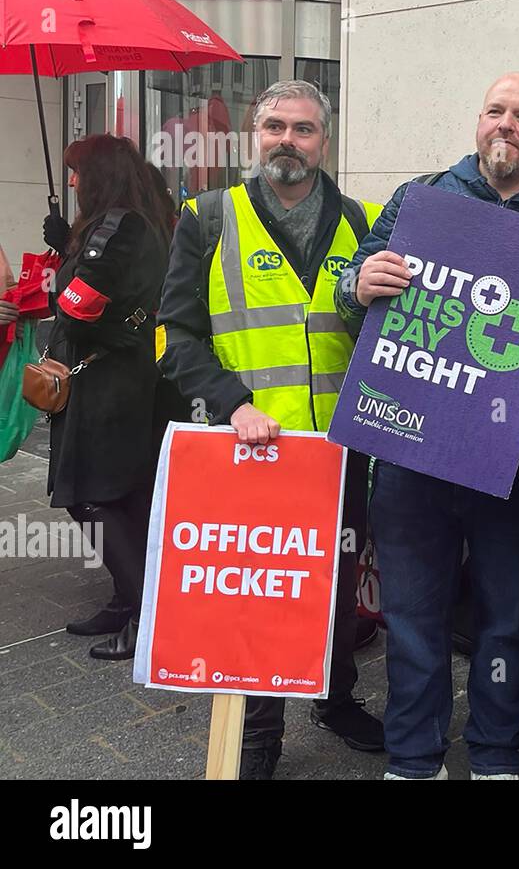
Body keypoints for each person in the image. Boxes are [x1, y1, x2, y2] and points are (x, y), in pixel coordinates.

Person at [336, 72, 519, 780]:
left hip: (514, 462)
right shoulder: (420, 198)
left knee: (508, 618)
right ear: (477, 122)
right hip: (409, 454)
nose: (506, 126)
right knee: (412, 615)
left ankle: (494, 755)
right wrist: (358, 285)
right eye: (495, 111)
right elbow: (352, 285)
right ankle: (413, 757)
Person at [159, 80, 385, 779]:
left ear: (325, 140)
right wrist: (233, 405)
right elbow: (173, 335)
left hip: (341, 452)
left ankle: (335, 696)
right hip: (251, 449)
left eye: (305, 129)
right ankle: (259, 736)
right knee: (261, 595)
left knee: (340, 581)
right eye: (276, 127)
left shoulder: (363, 221)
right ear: (255, 136)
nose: (288, 141)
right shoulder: (206, 217)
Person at [47, 135, 173, 660]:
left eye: (77, 172)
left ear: (96, 177)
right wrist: (67, 246)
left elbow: (78, 307)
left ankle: (148, 612)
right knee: (125, 496)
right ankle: (125, 601)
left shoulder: (117, 227)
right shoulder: (141, 219)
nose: (72, 182)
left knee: (90, 494)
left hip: (107, 385)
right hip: (123, 380)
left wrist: (64, 272)